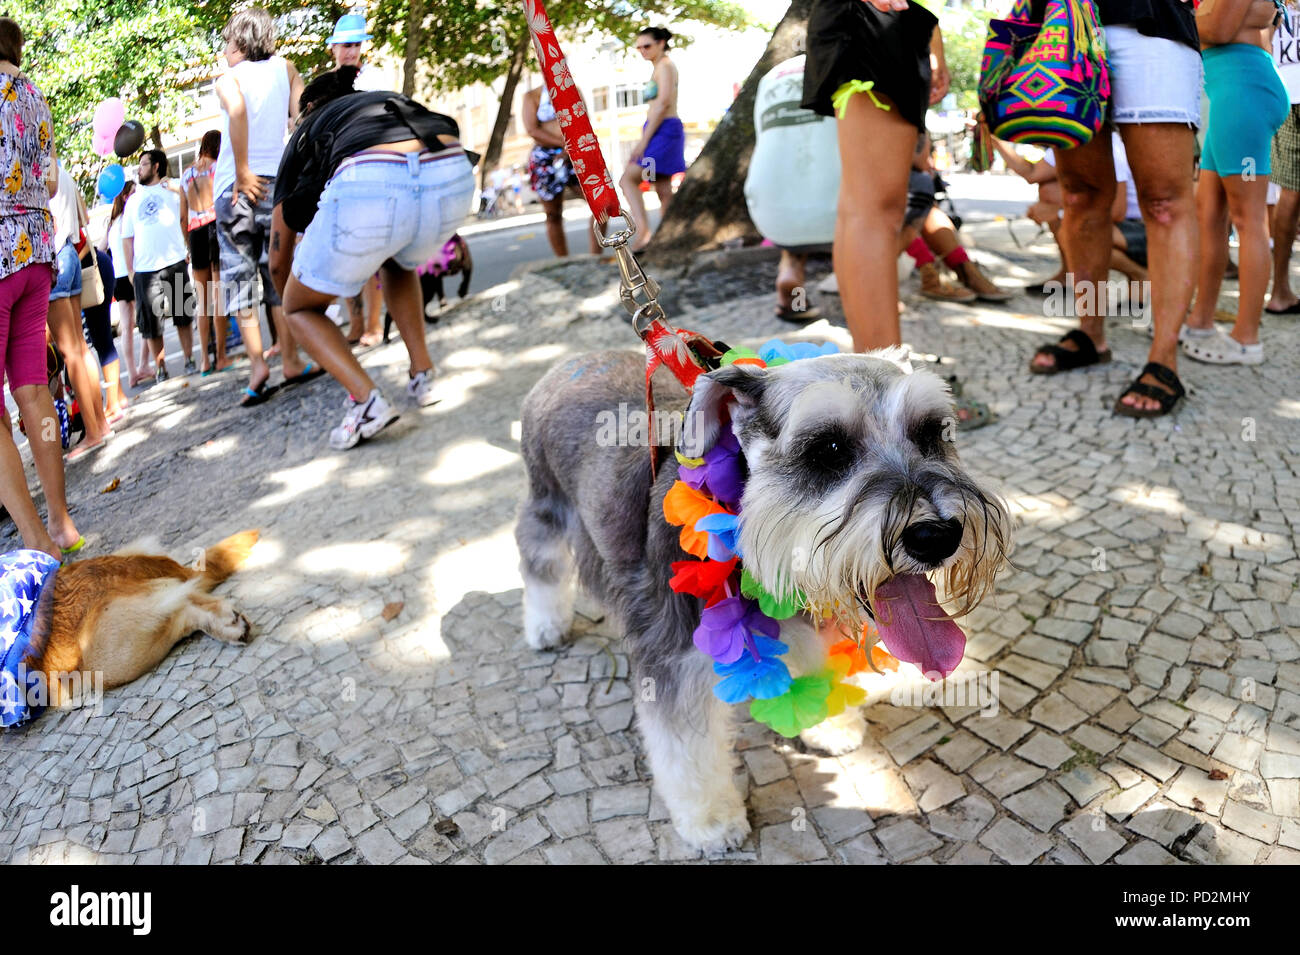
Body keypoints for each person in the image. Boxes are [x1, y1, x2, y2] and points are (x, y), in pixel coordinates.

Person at [268, 67, 476, 449]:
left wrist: (303, 313)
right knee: (398, 260)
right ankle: (424, 377)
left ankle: (367, 403)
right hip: (453, 166)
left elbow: (278, 261)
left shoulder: (305, 131)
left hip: (373, 176)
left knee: (298, 308)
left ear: (308, 107)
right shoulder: (380, 100)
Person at [1023, 0, 1201, 417]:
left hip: (1152, 22)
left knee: (1163, 203)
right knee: (1081, 196)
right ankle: (1091, 336)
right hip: (1062, 24)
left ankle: (1163, 357)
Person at [0, 17, 82, 557]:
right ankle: (61, 525)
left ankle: (34, 542)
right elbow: (51, 180)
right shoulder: (33, 94)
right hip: (37, 249)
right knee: (33, 389)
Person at [213, 7, 314, 407]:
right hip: (278, 185)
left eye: (225, 43)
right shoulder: (285, 68)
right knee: (278, 273)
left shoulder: (229, 79)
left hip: (235, 189)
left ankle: (258, 367)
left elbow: (237, 111)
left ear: (238, 43)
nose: (223, 51)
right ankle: (290, 359)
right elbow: (303, 115)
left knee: (239, 281)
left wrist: (241, 169)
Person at [1182, 0, 1289, 365]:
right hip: (1230, 89)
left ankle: (1247, 339)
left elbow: (1218, 29)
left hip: (1242, 91)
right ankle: (1200, 321)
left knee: (1248, 218)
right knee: (1209, 212)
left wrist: (1162, 18)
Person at [327, 13, 387, 346]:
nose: (351, 51)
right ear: (333, 48)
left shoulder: (373, 80)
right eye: (345, 45)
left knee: (372, 254)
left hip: (371, 171)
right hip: (338, 177)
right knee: (346, 257)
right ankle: (356, 323)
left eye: (356, 45)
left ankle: (375, 324)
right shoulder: (325, 85)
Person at [47, 158, 112, 453]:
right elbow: (82, 216)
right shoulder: (61, 170)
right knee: (80, 349)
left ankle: (94, 431)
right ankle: (98, 423)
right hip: (71, 253)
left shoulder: (36, 170)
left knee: (71, 352)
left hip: (54, 257)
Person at [121, 149, 196, 380]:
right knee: (151, 325)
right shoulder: (133, 201)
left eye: (143, 164)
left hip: (173, 261)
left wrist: (188, 248)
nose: (139, 169)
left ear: (155, 167)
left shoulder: (172, 189)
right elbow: (127, 238)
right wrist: (131, 269)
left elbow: (192, 205)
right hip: (145, 269)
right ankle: (160, 367)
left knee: (182, 316)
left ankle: (188, 358)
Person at [620, 27, 685, 251]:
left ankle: (644, 234)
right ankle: (670, 238)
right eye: (639, 47)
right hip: (658, 129)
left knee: (628, 179)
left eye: (646, 46)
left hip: (664, 131)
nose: (642, 51)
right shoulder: (659, 66)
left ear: (661, 43)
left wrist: (644, 141)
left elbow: (663, 104)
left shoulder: (666, 65)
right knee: (662, 188)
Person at [522, 82, 603, 258]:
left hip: (575, 152)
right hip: (545, 158)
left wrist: (570, 148)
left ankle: (596, 257)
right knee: (553, 214)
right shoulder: (532, 96)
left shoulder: (573, 90)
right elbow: (532, 130)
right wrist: (563, 145)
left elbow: (583, 120)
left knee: (600, 203)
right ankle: (563, 261)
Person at [179, 130, 231, 375]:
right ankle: (220, 356)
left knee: (203, 301)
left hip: (196, 231)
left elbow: (182, 215)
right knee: (219, 296)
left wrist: (187, 243)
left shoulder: (186, 174)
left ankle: (204, 361)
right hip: (215, 226)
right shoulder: (218, 167)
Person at [1266, 1, 1300, 314]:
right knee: (1289, 191)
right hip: (1287, 89)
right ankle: (1279, 290)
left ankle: (1280, 289)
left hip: (1284, 89)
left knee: (1289, 190)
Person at [101, 181, 150, 386]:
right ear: (124, 197)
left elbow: (101, 249)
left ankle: (132, 373)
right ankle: (144, 364)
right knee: (147, 319)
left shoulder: (110, 222)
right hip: (135, 271)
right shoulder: (131, 217)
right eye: (132, 192)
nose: (136, 194)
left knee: (127, 326)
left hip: (118, 277)